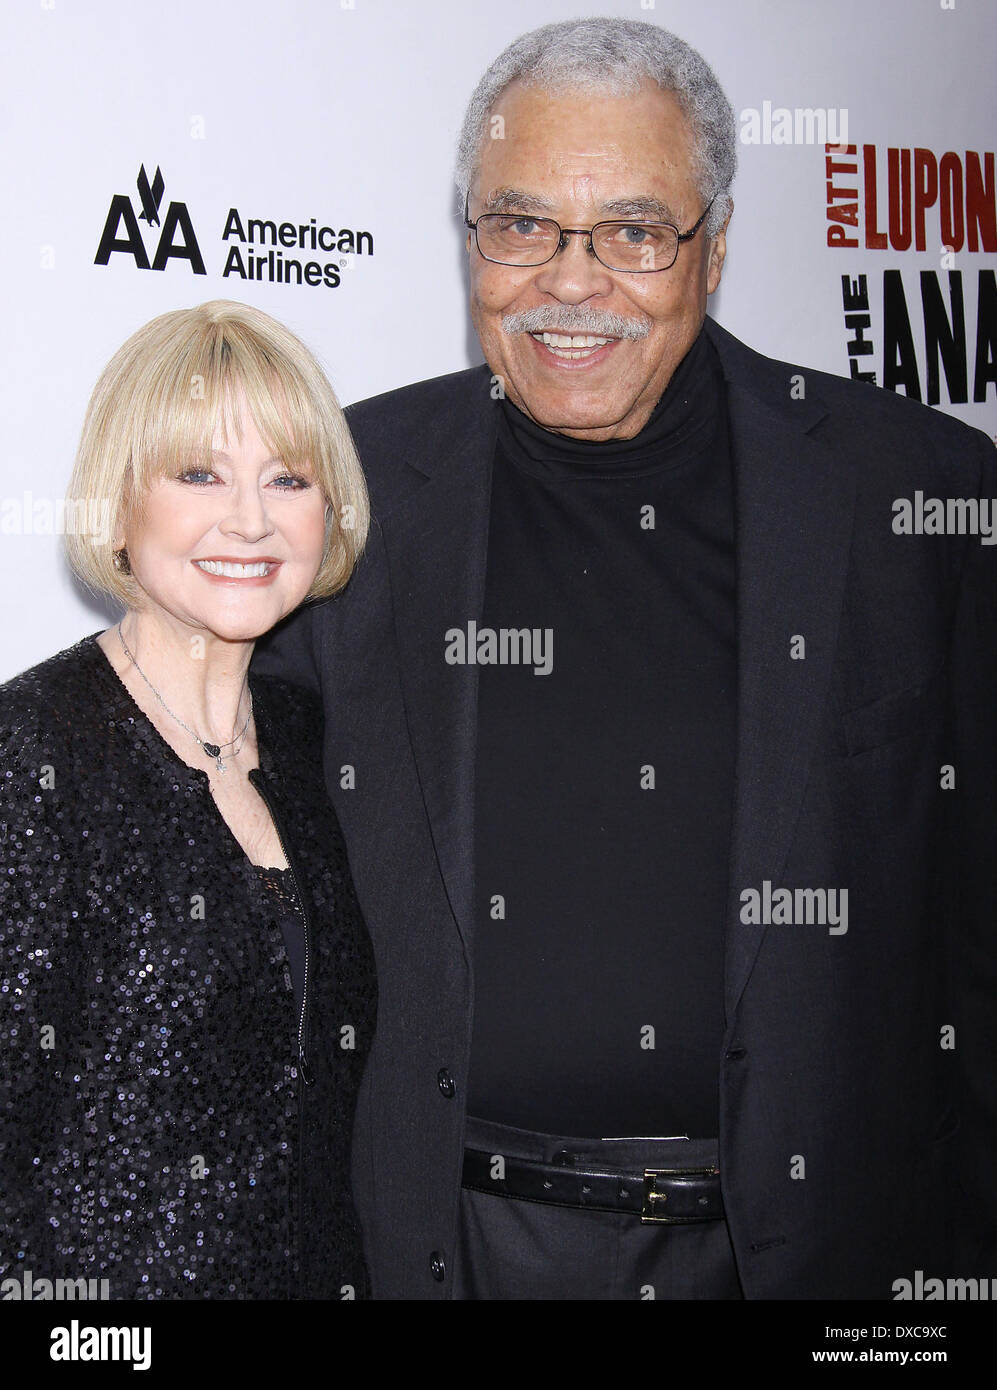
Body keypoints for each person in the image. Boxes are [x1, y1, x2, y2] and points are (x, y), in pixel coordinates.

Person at [254, 17, 997, 1299]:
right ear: (470, 235)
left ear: (711, 250)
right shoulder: (341, 500)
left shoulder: (913, 499)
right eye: (521, 224)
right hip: (443, 1249)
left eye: (634, 233)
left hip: (807, 1259)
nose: (571, 281)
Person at [0, 300, 377, 1300]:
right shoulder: (27, 755)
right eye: (200, 473)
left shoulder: (307, 741)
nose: (250, 520)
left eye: (288, 479)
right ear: (118, 505)